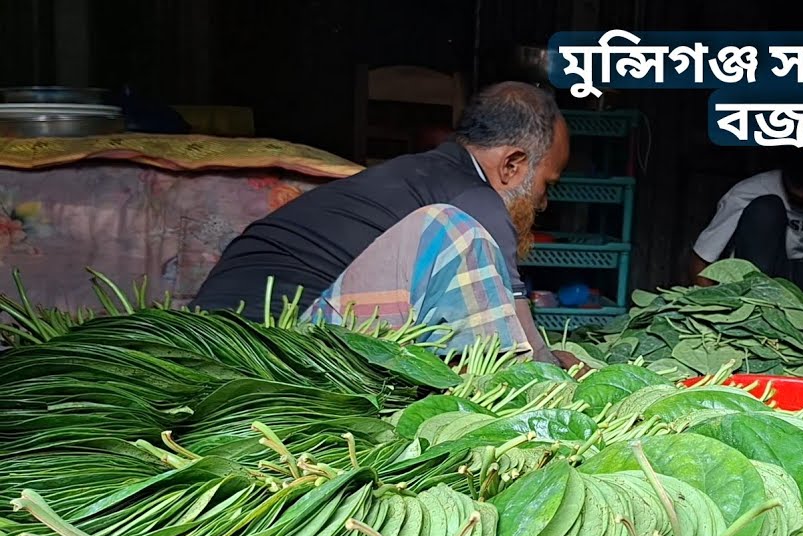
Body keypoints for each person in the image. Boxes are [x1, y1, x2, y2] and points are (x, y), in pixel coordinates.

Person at [191, 81, 577, 368]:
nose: (543, 203)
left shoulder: (416, 175)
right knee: (451, 231)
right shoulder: (474, 200)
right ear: (512, 165)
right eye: (547, 184)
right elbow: (523, 355)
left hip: (204, 336)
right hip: (271, 348)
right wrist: (561, 369)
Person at [689, 154, 803, 313]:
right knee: (766, 210)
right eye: (797, 187)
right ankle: (757, 306)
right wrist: (712, 311)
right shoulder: (748, 192)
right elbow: (702, 259)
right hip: (764, 276)